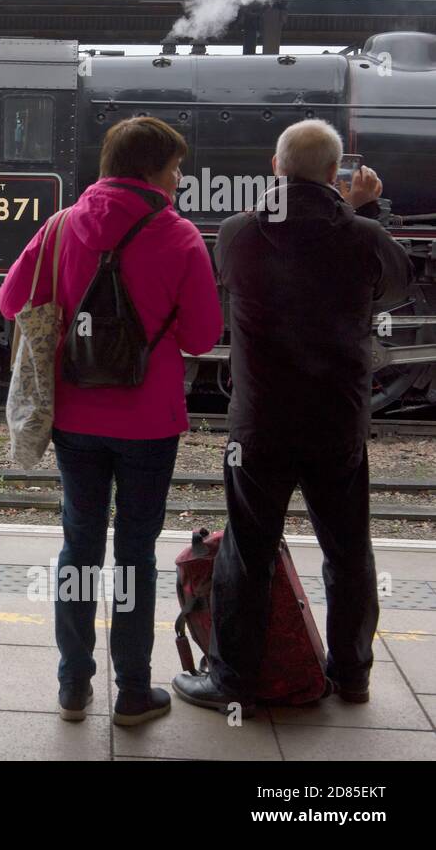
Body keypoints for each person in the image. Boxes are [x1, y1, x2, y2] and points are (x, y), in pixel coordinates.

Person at [173, 120, 412, 713]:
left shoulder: (238, 233)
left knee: (247, 551)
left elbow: (247, 257)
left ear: (275, 168)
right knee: (348, 550)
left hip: (260, 423)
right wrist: (362, 211)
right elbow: (394, 286)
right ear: (336, 172)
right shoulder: (363, 235)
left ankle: (234, 682)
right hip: (337, 419)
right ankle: (351, 676)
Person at [0, 117, 223, 726]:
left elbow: (11, 301)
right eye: (175, 168)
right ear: (151, 170)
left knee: (79, 546)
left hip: (75, 417)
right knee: (134, 554)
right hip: (149, 422)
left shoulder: (60, 226)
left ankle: (73, 686)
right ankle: (132, 693)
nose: (179, 179)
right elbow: (203, 337)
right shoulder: (180, 236)